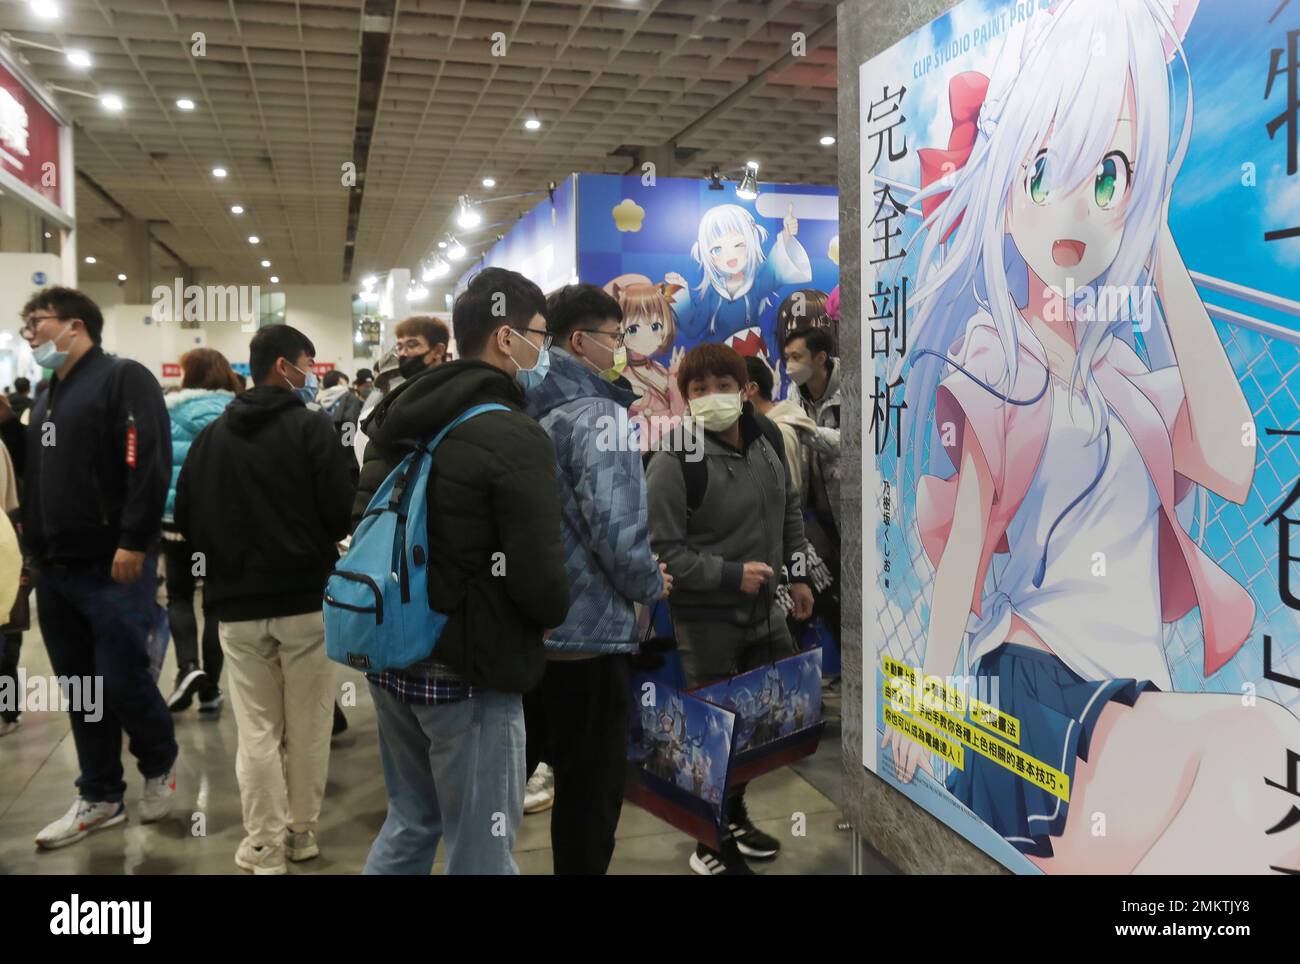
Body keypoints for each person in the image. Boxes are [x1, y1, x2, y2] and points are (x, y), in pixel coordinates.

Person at [355, 266, 569, 875]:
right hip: (469, 671)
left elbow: (361, 522)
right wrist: (547, 615)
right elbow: (539, 577)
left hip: (391, 653)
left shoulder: (395, 421)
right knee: (481, 846)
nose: (543, 349)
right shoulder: (513, 434)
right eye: (540, 335)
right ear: (507, 338)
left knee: (411, 820)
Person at [175, 324, 354, 875]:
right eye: (307, 361)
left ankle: (263, 845)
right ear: (283, 366)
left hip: (236, 605)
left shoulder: (211, 438)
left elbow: (185, 519)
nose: (312, 372)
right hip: (306, 602)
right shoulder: (313, 429)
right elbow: (340, 511)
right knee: (309, 723)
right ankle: (301, 834)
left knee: (256, 729)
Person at [10, 286, 177, 849]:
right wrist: (32, 553)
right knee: (81, 685)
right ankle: (100, 792)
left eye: (37, 323)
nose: (30, 334)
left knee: (123, 676)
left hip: (113, 564)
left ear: (74, 324)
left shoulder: (122, 377)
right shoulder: (49, 391)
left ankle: (159, 761)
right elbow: (40, 477)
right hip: (55, 566)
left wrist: (134, 538)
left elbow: (146, 458)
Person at [646, 342, 814, 875]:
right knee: (712, 734)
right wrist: (729, 575)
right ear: (685, 398)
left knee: (762, 726)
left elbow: (789, 506)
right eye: (698, 390)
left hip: (767, 611)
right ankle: (709, 840)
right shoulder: (676, 457)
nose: (711, 397)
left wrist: (799, 571)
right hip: (708, 619)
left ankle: (734, 814)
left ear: (745, 391)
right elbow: (664, 550)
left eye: (722, 386)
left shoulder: (765, 438)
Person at [522, 283, 670, 874]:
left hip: (537, 631)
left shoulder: (529, 405)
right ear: (579, 341)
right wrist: (651, 584)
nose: (623, 348)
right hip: (590, 639)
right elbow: (618, 527)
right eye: (616, 337)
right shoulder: (598, 414)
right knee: (589, 800)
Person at [162, 348, 240, 714]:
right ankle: (210, 687)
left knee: (178, 596)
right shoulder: (237, 413)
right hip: (219, 521)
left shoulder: (167, 412)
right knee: (213, 603)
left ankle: (187, 668)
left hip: (174, 519)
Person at [782, 326, 841, 657]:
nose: (790, 365)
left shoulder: (852, 384)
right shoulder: (794, 391)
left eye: (797, 357)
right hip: (813, 514)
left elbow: (854, 442)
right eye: (787, 357)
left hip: (849, 509)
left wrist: (806, 431)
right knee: (825, 592)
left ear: (820, 358)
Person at [393, 315, 450, 381]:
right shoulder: (407, 387)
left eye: (412, 345)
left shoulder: (454, 387)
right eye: (400, 347)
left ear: (438, 351)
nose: (403, 353)